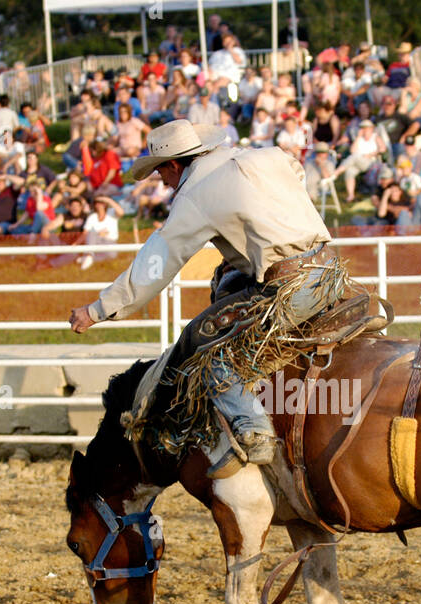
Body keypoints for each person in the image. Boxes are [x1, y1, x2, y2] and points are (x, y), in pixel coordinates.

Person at [68, 120, 342, 478]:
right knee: (230, 284)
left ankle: (254, 429)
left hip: (290, 288)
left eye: (161, 173)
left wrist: (97, 310)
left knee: (208, 348)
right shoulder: (265, 156)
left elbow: (157, 261)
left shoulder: (196, 194)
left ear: (173, 165)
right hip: (331, 271)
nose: (163, 183)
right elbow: (296, 170)